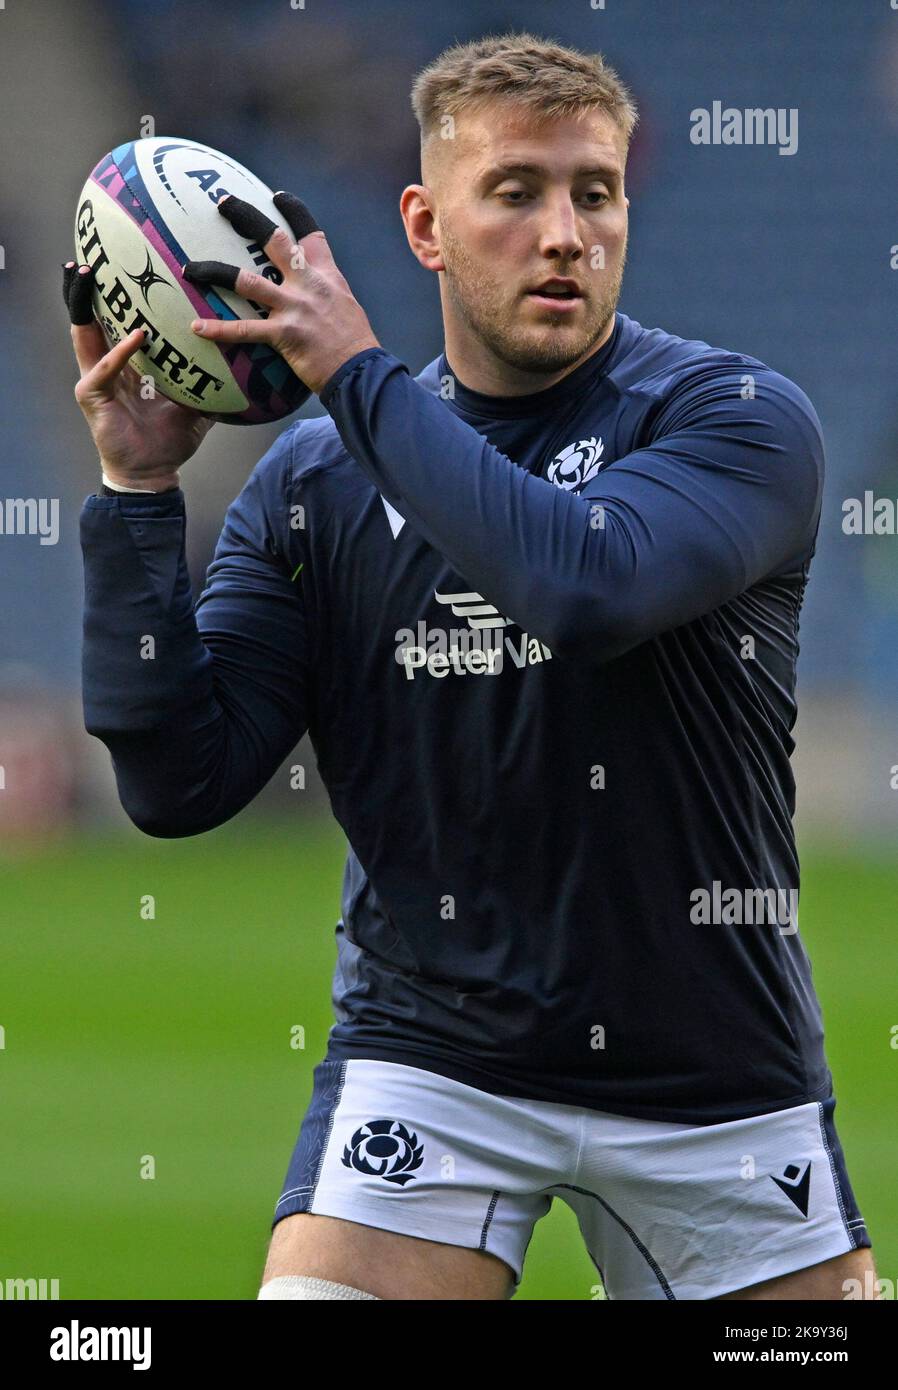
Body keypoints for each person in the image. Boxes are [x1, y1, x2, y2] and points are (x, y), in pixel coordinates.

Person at [68, 32, 876, 1300]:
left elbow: (586, 587)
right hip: (432, 1057)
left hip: (711, 1072)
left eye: (593, 193)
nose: (564, 232)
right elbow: (179, 781)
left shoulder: (734, 419)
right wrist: (137, 492)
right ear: (425, 224)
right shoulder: (316, 483)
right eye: (516, 192)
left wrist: (354, 376)